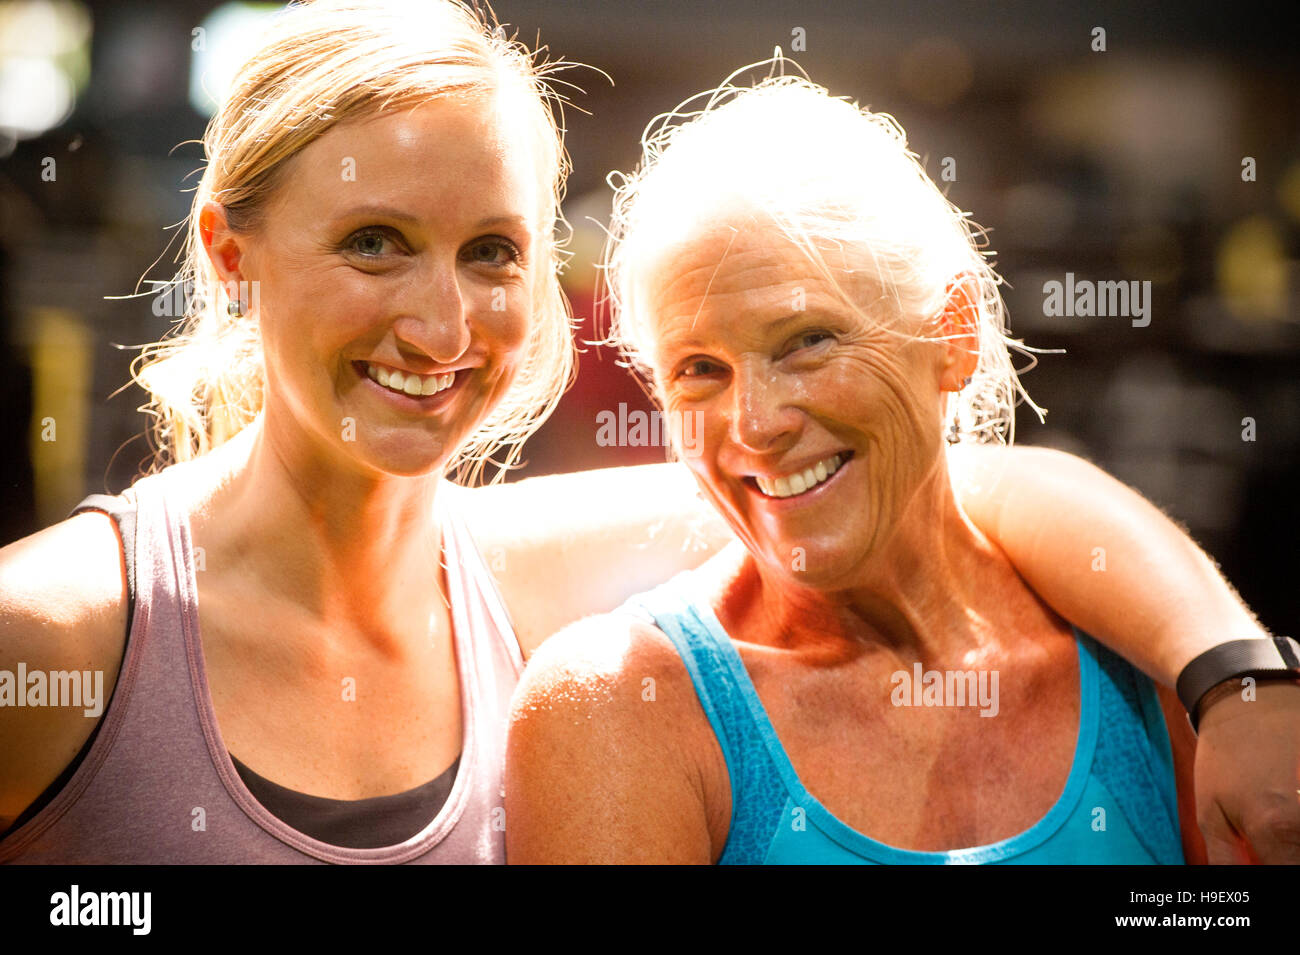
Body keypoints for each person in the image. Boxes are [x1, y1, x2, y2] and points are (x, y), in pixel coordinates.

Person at [0, 2, 1293, 864]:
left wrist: (1234, 671)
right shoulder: (53, 633)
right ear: (231, 251)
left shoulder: (539, 561)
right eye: (374, 242)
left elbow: (972, 484)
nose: (443, 319)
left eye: (493, 250)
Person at [504, 68, 1300, 864]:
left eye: (808, 341)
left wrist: (1238, 673)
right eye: (699, 370)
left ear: (952, 337)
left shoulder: (1155, 666)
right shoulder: (622, 706)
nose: (753, 425)